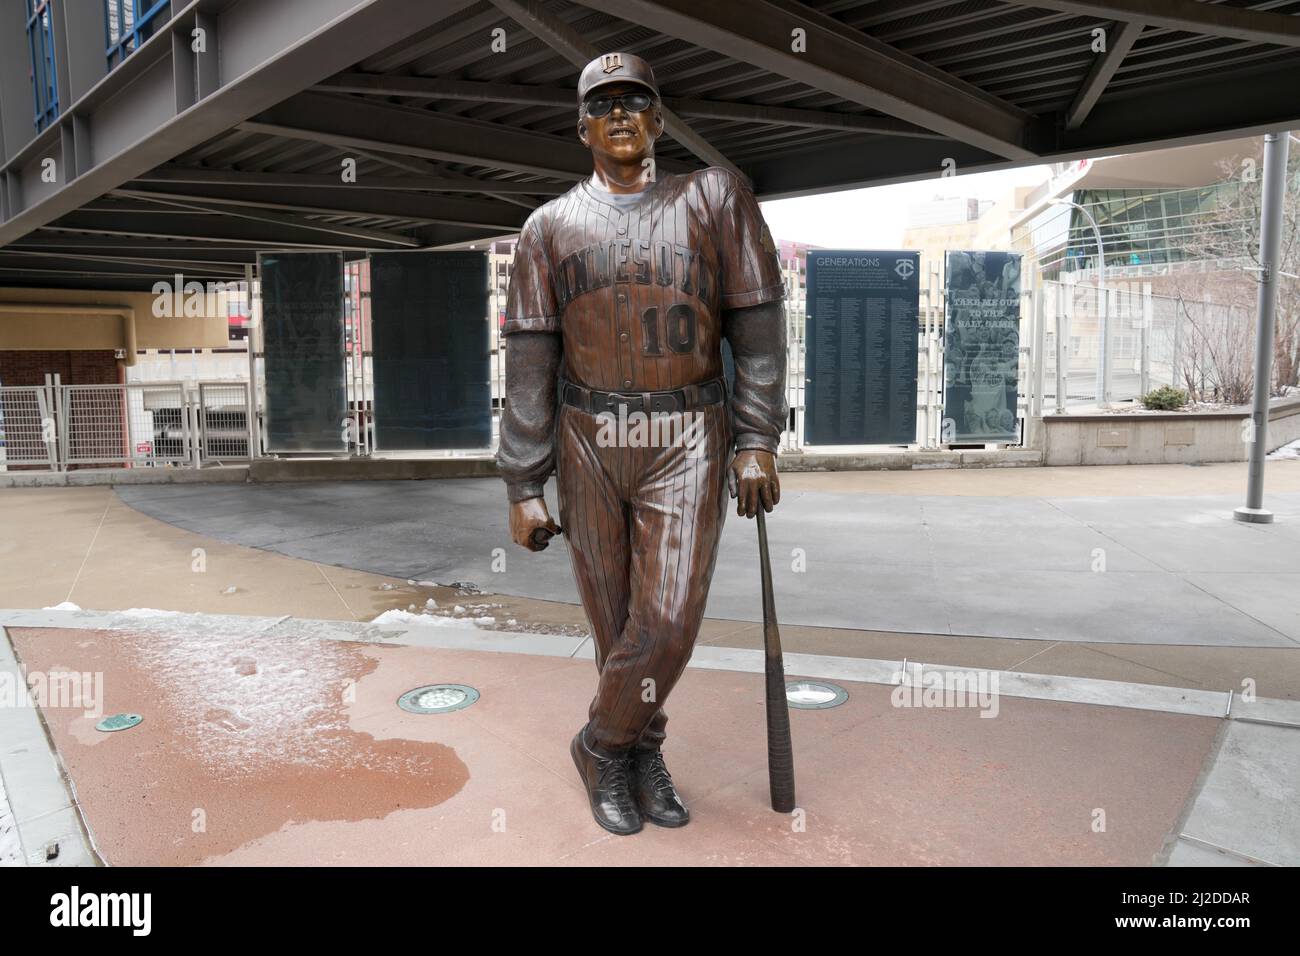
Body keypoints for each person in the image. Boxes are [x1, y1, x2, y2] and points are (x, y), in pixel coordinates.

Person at [495, 52, 789, 835]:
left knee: (666, 622)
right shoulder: (547, 227)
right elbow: (530, 364)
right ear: (582, 125)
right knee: (617, 625)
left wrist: (756, 440)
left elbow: (758, 337)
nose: (620, 114)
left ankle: (597, 743)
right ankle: (637, 753)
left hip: (686, 429)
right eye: (604, 104)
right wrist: (524, 485)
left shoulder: (714, 196)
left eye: (636, 102)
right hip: (587, 435)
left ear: (659, 120)